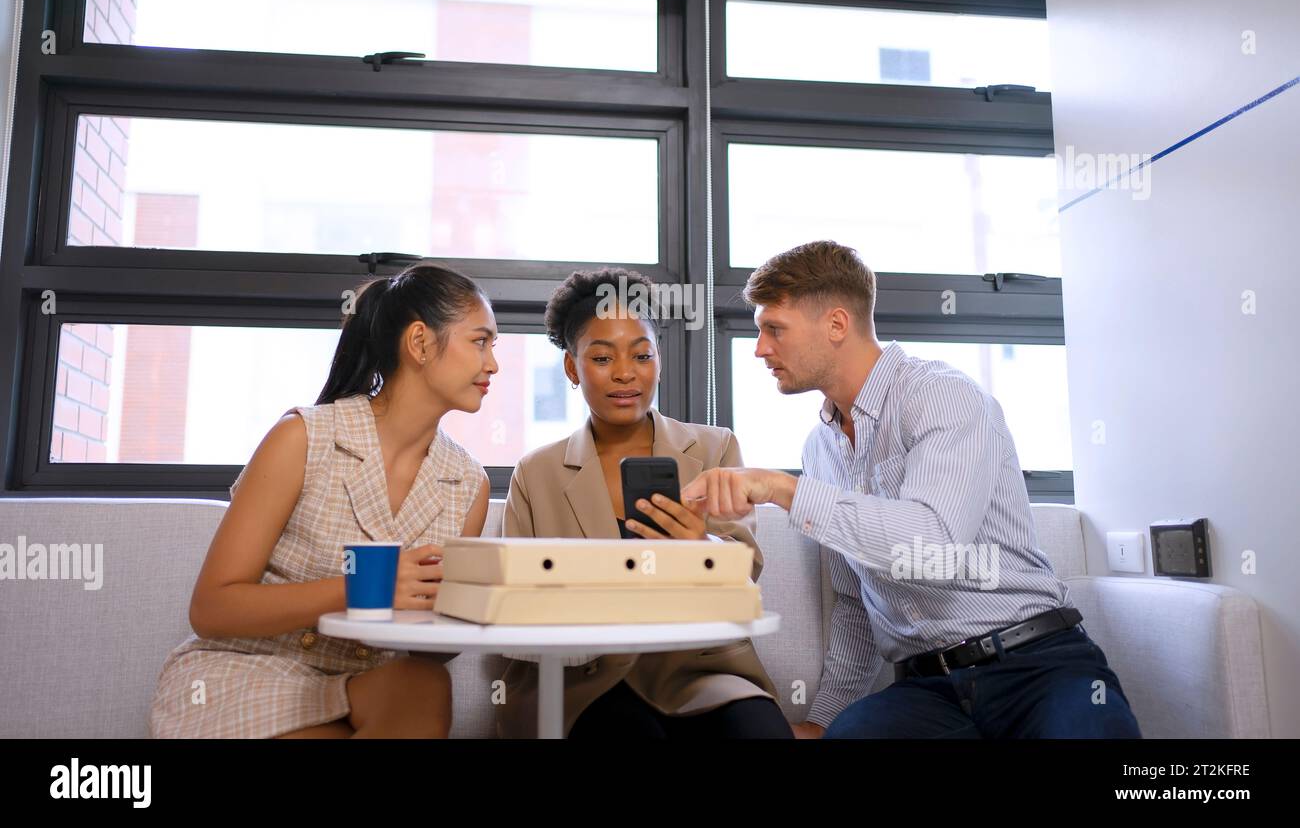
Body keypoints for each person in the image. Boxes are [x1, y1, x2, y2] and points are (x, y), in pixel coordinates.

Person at [681, 241, 1142, 739]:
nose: (760, 348)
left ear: (837, 324)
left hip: (1037, 666)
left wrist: (781, 489)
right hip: (928, 693)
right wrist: (825, 719)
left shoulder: (941, 396)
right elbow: (856, 601)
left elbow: (933, 547)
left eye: (774, 329)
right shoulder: (821, 450)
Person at [148, 261, 497, 738]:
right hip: (253, 674)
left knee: (425, 681)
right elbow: (212, 610)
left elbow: (429, 652)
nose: (492, 363)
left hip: (371, 682)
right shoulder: (303, 438)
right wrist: (362, 589)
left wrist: (459, 607)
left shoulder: (467, 483)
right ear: (419, 342)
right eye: (480, 341)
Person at [498, 267, 792, 738]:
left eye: (641, 355)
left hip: (700, 671)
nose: (624, 373)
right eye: (601, 358)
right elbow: (516, 597)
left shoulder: (713, 449)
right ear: (572, 368)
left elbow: (745, 573)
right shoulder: (538, 473)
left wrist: (703, 545)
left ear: (658, 360)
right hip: (582, 679)